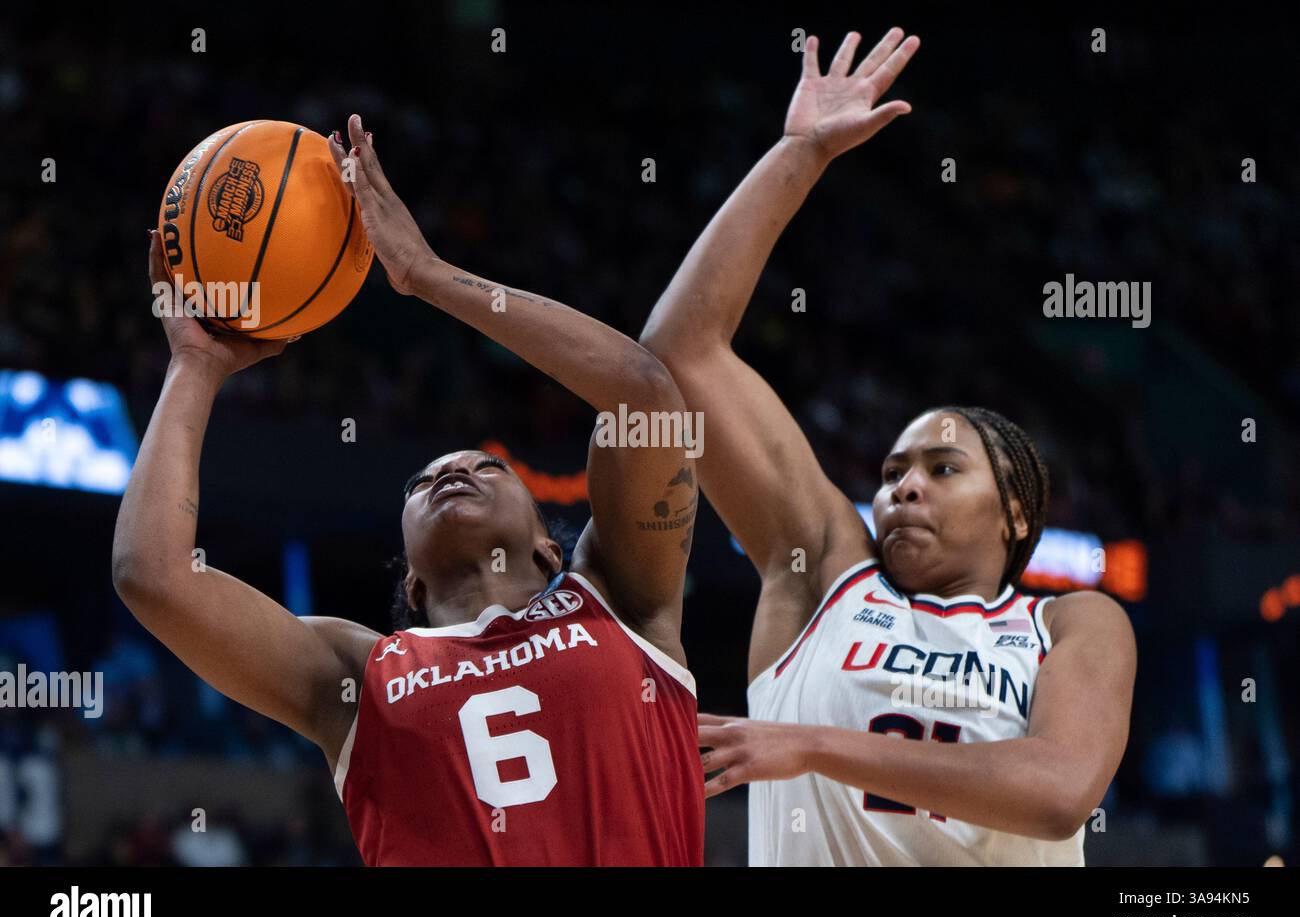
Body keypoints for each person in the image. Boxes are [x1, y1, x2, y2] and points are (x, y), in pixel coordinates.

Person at [113, 114, 703, 866]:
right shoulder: (357, 677)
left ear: (550, 545)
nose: (451, 473)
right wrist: (192, 367)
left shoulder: (622, 600)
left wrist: (426, 276)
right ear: (412, 583)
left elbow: (646, 397)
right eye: (422, 480)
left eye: (488, 467)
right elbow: (151, 575)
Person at [639, 28, 1136, 865]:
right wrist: (797, 155)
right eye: (893, 471)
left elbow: (1055, 793)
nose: (903, 487)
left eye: (943, 469)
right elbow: (680, 350)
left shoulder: (1072, 623)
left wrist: (811, 746)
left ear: (1016, 511)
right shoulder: (826, 572)